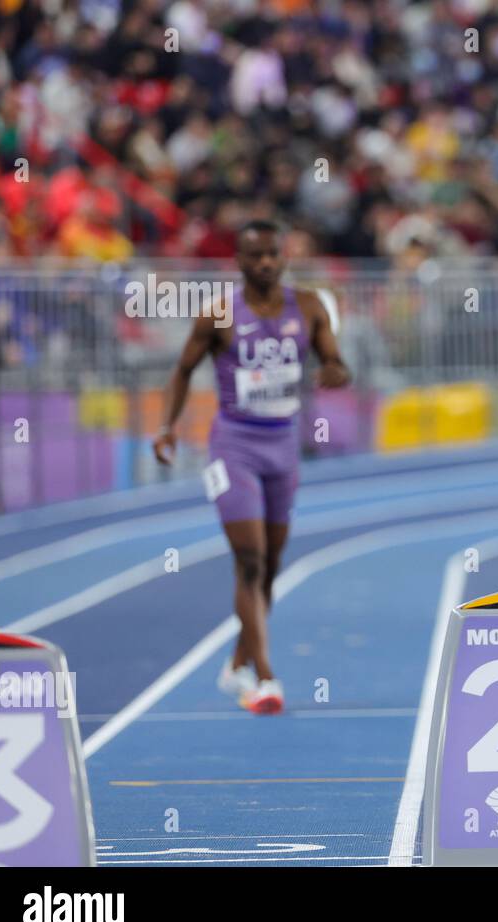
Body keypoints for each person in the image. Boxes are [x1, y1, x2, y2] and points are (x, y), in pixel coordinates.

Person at [153, 220, 350, 713]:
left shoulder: (308, 307)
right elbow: (181, 370)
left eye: (272, 254)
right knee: (250, 560)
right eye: (255, 255)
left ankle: (236, 662)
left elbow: (336, 361)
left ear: (284, 257)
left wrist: (333, 370)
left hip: (283, 448)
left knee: (269, 571)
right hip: (232, 447)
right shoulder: (218, 315)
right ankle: (265, 678)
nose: (265, 263)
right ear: (239, 261)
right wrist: (167, 427)